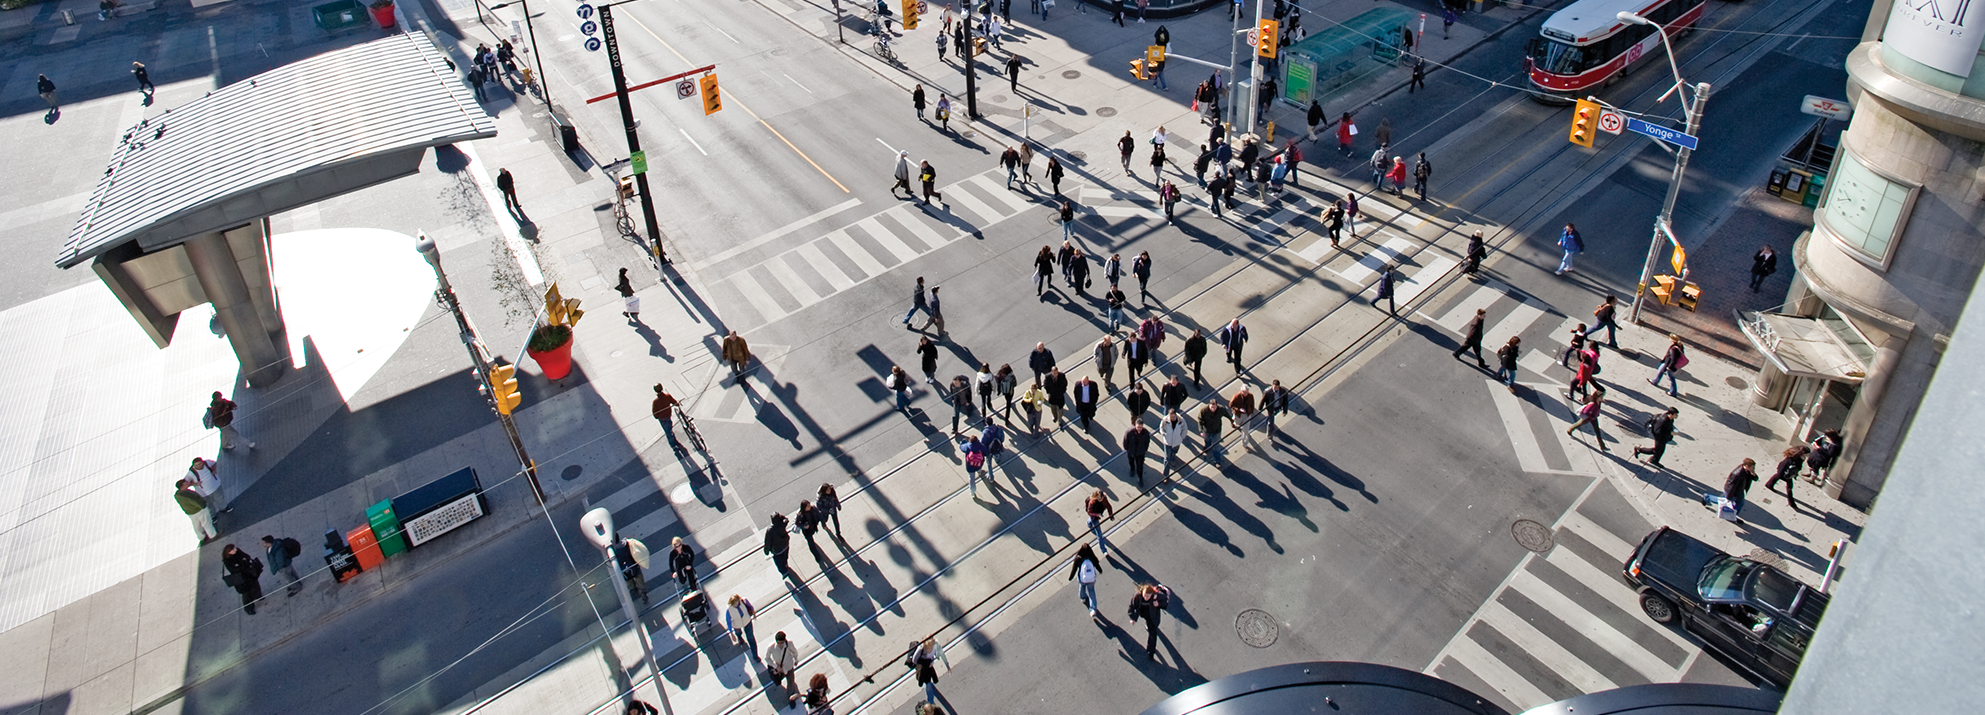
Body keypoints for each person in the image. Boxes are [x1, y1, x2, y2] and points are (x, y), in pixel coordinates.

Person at [1129, 583, 1171, 660]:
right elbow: (1132, 606)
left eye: (1148, 596)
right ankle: (1147, 625)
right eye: (1144, 595)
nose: (1146, 598)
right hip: (1143, 614)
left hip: (1152, 617)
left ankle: (1151, 651)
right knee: (1149, 625)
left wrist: (1158, 604)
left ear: (1151, 594)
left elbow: (1165, 602)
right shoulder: (1137, 596)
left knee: (1153, 634)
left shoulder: (1156, 596)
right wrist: (1132, 618)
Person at [221, 543, 264, 615]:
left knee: (255, 586)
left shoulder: (238, 551)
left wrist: (241, 564)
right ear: (229, 552)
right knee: (247, 594)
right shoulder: (227, 561)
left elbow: (247, 557)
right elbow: (234, 569)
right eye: (233, 549)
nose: (235, 550)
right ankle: (249, 609)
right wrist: (243, 562)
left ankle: (258, 596)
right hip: (241, 580)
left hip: (249, 574)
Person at [910, 636, 951, 706]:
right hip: (923, 668)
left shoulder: (936, 644)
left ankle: (931, 696)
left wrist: (947, 665)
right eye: (928, 648)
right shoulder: (921, 648)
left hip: (930, 665)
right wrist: (922, 665)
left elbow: (941, 654)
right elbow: (914, 660)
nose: (930, 650)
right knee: (928, 683)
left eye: (931, 648)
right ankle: (931, 701)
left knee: (933, 680)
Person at [174, 479, 216, 544]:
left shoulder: (178, 495)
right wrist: (203, 505)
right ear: (182, 486)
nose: (187, 484)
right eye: (186, 483)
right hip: (199, 510)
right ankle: (212, 535)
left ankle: (201, 537)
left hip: (190, 512)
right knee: (207, 522)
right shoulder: (187, 494)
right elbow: (195, 501)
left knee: (197, 525)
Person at [765, 631, 801, 703]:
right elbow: (767, 658)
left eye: (781, 642)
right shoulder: (771, 647)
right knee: (778, 680)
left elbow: (794, 652)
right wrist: (775, 666)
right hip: (779, 670)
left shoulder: (789, 644)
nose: (780, 644)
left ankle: (790, 697)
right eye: (778, 642)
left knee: (790, 683)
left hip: (789, 667)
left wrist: (796, 660)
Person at [1768, 445, 1806, 510]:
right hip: (1787, 473)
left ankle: (1769, 485)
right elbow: (1798, 467)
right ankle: (1791, 503)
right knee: (1789, 487)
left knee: (1777, 476)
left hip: (1783, 470)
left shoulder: (1792, 455)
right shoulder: (1797, 459)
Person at [1069, 543, 1102, 617]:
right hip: (1091, 579)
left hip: (1082, 579)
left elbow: (1074, 569)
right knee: (1091, 591)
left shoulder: (1078, 558)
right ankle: (1093, 609)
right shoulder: (1092, 557)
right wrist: (1100, 571)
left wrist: (1070, 577)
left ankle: (1083, 597)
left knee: (1082, 587)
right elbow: (1097, 565)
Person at [725, 594, 759, 658]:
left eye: (736, 603)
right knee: (738, 633)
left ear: (739, 600)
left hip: (747, 621)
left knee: (751, 638)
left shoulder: (744, 601)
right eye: (733, 604)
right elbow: (728, 622)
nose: (735, 605)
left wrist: (754, 614)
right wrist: (731, 633)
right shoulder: (729, 610)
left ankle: (755, 656)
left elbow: (751, 607)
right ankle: (739, 637)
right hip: (737, 625)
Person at [764, 513, 796, 580]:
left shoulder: (770, 530)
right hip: (785, 544)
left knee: (778, 561)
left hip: (777, 549)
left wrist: (766, 551)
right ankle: (785, 564)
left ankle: (784, 571)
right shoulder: (782, 524)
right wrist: (781, 517)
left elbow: (767, 542)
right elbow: (786, 519)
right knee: (785, 557)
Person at [1085, 489, 1117, 554]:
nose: (1102, 499)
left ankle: (1089, 524)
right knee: (1099, 534)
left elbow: (1108, 506)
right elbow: (1089, 512)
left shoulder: (1104, 498)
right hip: (1095, 516)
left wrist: (1111, 515)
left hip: (1098, 513)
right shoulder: (1092, 502)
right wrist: (1097, 515)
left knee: (1090, 522)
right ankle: (1104, 550)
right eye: (1100, 499)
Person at [1229, 386, 1258, 452]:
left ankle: (1245, 444)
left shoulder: (1250, 396)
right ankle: (1233, 421)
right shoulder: (1236, 396)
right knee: (1237, 423)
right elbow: (1231, 405)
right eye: (1244, 392)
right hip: (1238, 414)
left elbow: (1252, 404)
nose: (1245, 394)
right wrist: (1238, 409)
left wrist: (1251, 411)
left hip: (1247, 415)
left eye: (1246, 392)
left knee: (1246, 430)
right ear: (1241, 391)